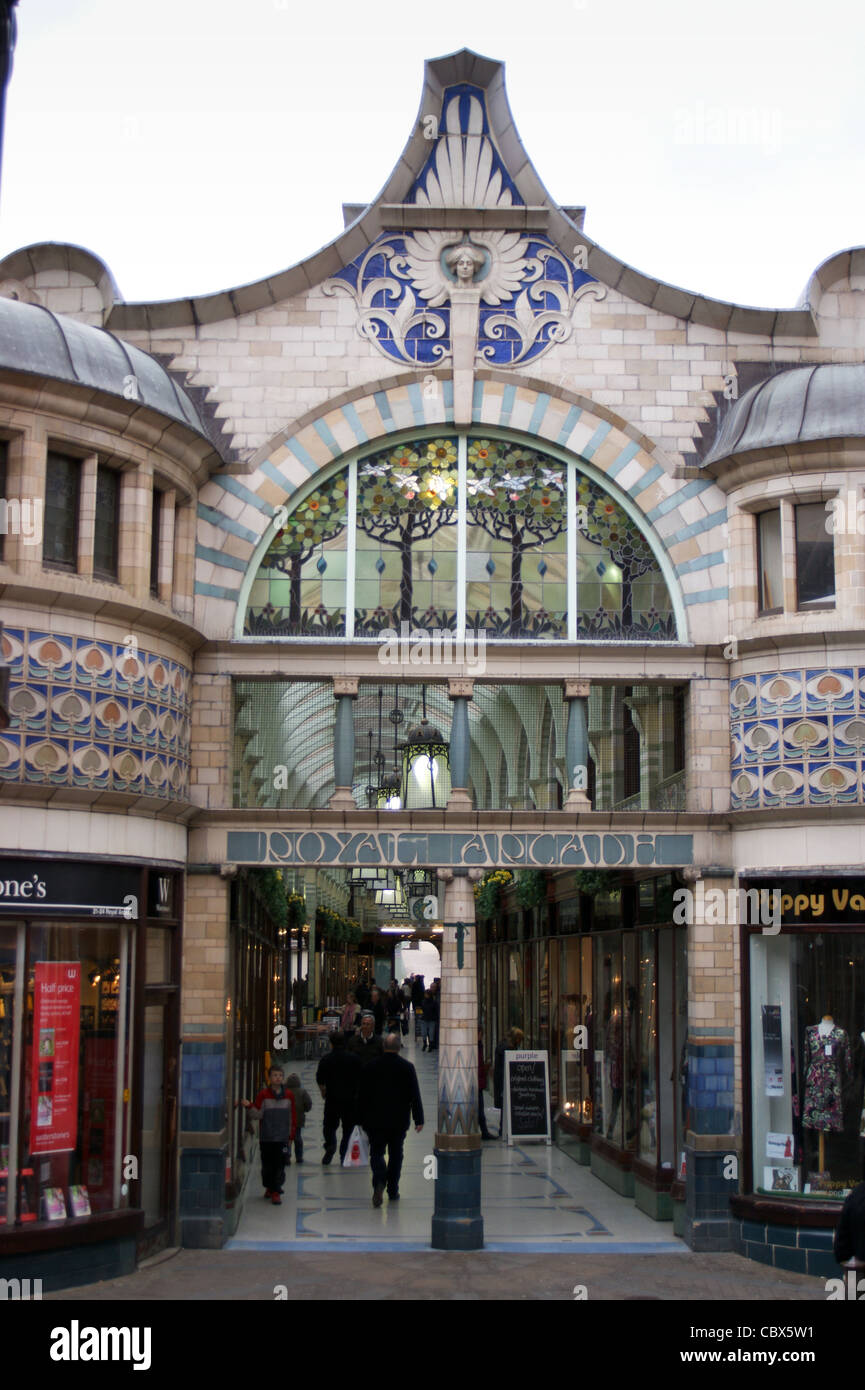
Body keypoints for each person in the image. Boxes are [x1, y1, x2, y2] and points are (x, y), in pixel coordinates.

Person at [358, 1032, 424, 1206]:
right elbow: (414, 1094)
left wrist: (360, 1118)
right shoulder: (407, 1067)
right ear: (398, 1048)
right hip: (398, 1120)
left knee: (377, 1152)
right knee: (396, 1154)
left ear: (383, 1047)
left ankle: (379, 1181)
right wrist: (419, 1119)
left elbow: (362, 1095)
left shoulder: (370, 1067)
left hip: (375, 1119)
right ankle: (393, 1188)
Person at [241, 1065, 296, 1205]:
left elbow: (292, 1117)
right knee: (267, 1164)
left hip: (282, 1138)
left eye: (280, 1075)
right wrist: (249, 1106)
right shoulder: (263, 1095)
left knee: (280, 1164)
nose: (277, 1078)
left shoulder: (289, 1096)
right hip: (267, 1138)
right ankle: (269, 1187)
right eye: (275, 1075)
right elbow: (258, 1114)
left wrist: (291, 1136)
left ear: (283, 1078)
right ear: (270, 1078)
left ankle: (276, 1190)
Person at [316, 1031, 361, 1164]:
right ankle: (344, 1153)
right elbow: (361, 1078)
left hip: (332, 1099)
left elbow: (320, 1078)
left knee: (329, 1126)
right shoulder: (354, 1059)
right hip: (350, 1100)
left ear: (331, 1044)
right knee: (348, 1128)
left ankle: (330, 1144)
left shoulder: (326, 1059)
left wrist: (323, 1091)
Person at [284, 1069, 312, 1164]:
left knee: (286, 1138)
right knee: (297, 1138)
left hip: (285, 1120)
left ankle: (286, 1157)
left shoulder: (284, 1091)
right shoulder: (302, 1092)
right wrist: (305, 1109)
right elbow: (308, 1103)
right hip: (298, 1119)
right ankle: (299, 1157)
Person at [478, 1027, 493, 1140]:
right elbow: (478, 1066)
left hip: (478, 1081)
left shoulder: (479, 1045)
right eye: (481, 1034)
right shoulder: (477, 1046)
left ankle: (484, 1131)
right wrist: (485, 1067)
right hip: (477, 1082)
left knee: (480, 1108)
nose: (482, 1037)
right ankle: (484, 1132)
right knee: (479, 1108)